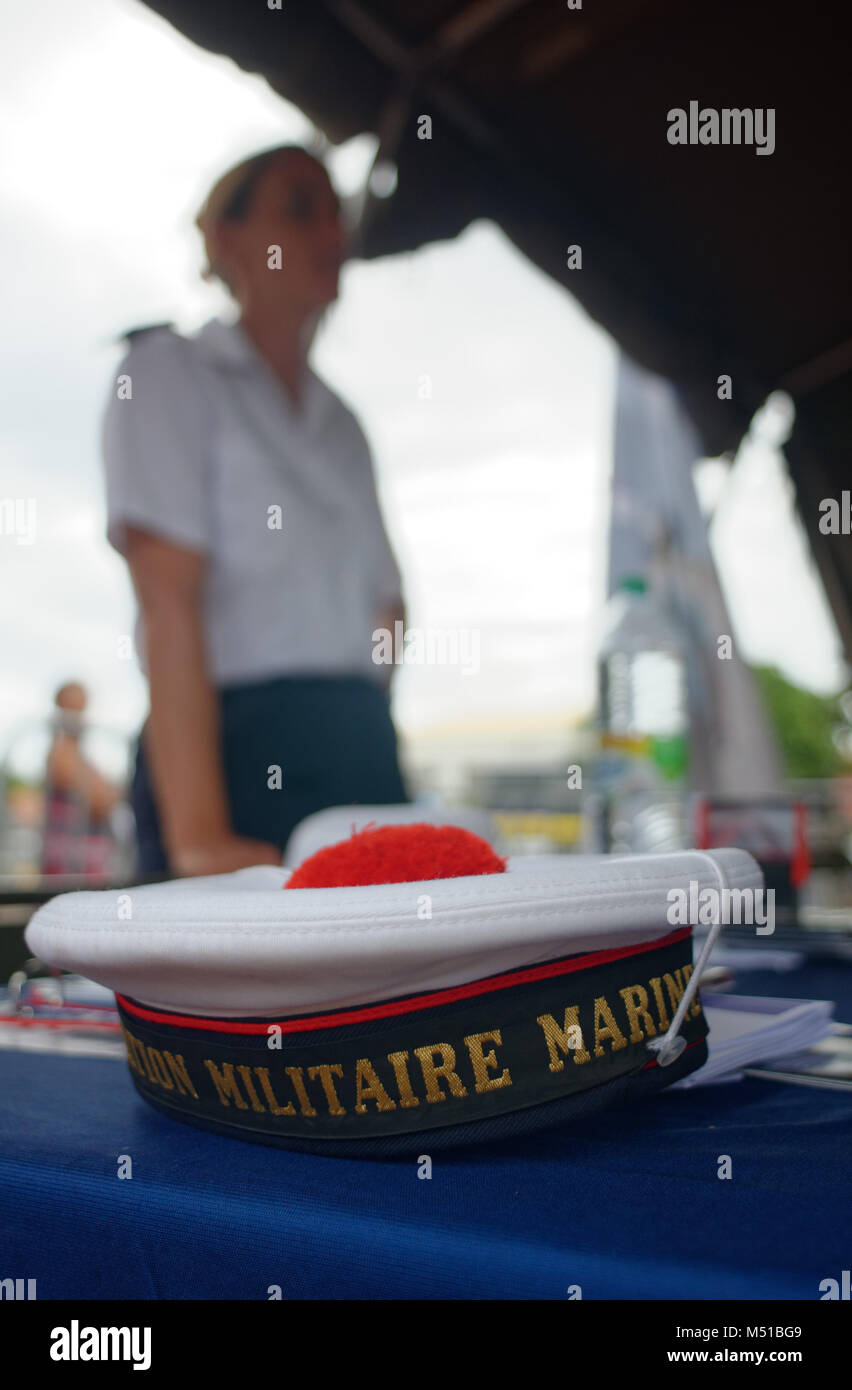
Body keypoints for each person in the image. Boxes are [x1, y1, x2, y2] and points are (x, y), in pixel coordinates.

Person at [102, 144, 408, 878]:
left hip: (359, 756)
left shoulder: (344, 422)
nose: (331, 234)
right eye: (300, 208)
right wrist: (200, 838)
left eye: (336, 214)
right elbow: (166, 602)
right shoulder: (165, 372)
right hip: (233, 755)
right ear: (224, 238)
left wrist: (357, 737)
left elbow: (388, 609)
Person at [42, 682, 121, 879]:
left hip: (83, 861)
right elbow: (100, 800)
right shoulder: (61, 754)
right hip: (70, 864)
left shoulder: (79, 757)